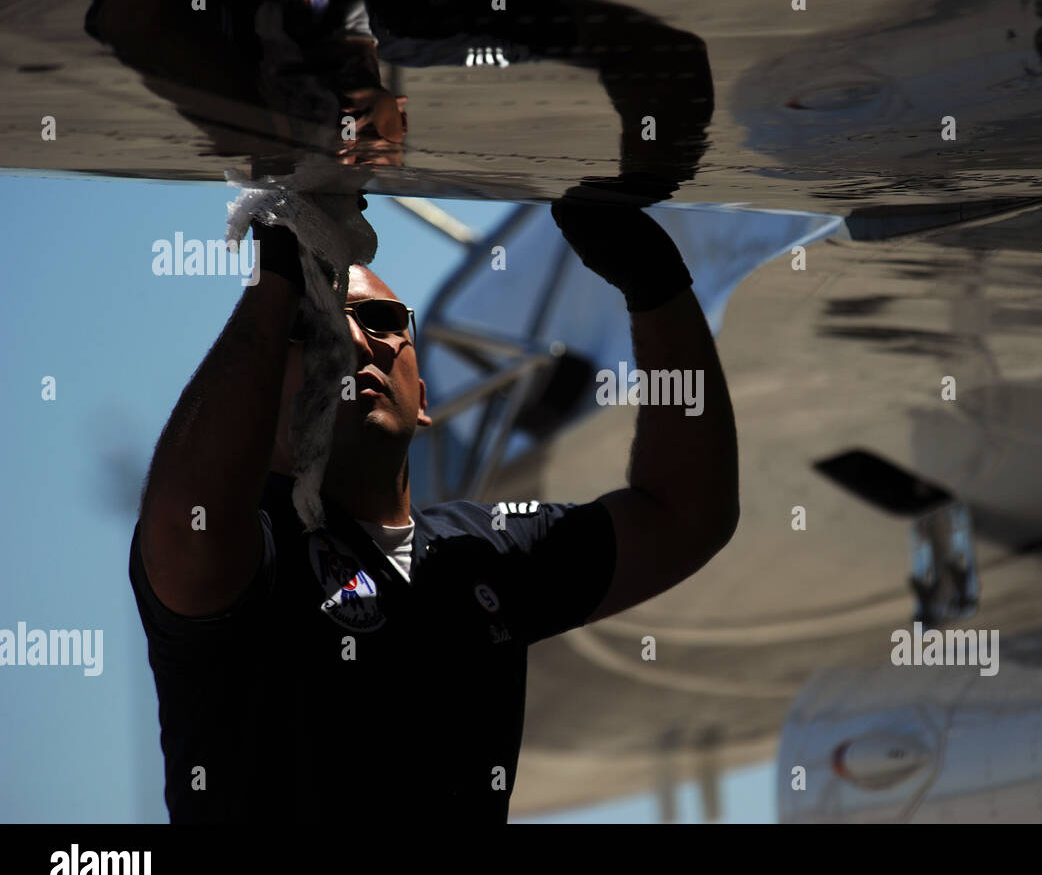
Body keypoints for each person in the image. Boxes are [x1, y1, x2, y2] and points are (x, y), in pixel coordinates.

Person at [129, 199, 739, 822]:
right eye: (311, 329)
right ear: (263, 397)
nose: (353, 338)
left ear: (422, 398)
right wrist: (274, 283)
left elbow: (684, 515)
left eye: (386, 320)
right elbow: (185, 526)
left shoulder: (483, 553)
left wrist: (658, 287)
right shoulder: (252, 551)